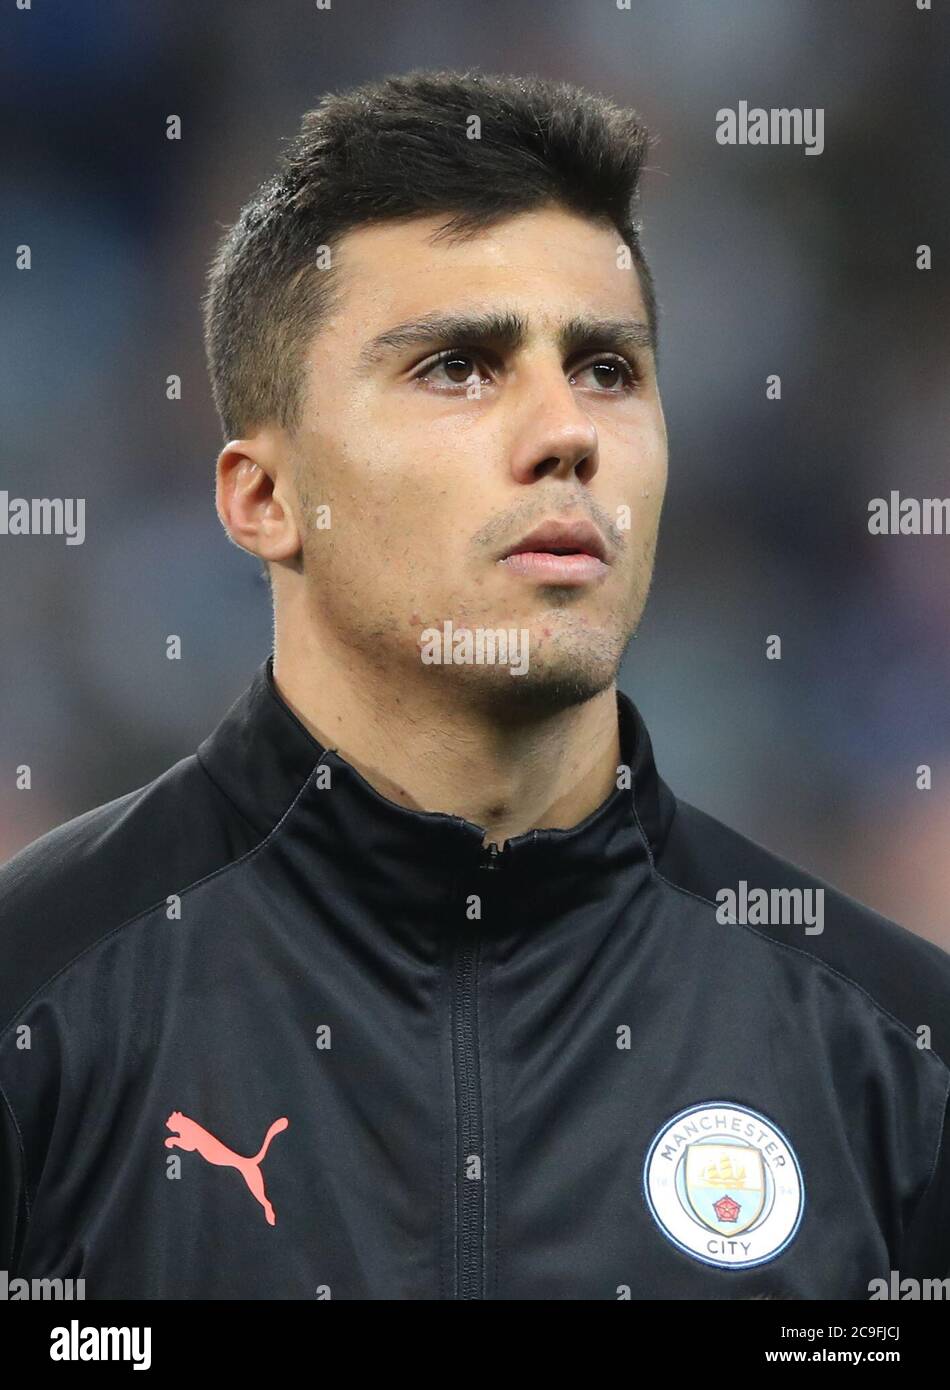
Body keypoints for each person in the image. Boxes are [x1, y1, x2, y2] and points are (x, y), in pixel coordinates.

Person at [1, 69, 948, 1301]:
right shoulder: (39, 1005)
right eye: (459, 366)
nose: (567, 432)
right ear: (265, 498)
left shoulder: (892, 1057)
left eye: (607, 368)